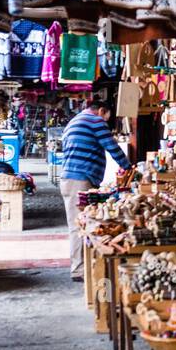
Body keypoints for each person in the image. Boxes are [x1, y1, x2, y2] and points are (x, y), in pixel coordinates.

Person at [60, 98, 132, 281]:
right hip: (79, 179)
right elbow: (112, 147)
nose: (106, 121)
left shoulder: (75, 121)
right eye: (107, 117)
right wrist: (129, 168)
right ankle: (79, 270)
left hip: (71, 178)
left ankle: (85, 266)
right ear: (102, 110)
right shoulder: (95, 120)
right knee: (80, 226)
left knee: (81, 224)